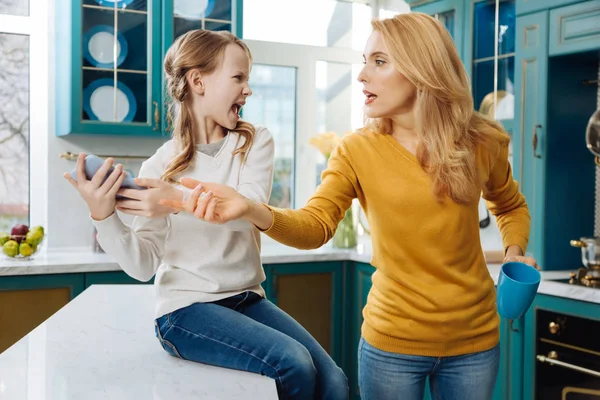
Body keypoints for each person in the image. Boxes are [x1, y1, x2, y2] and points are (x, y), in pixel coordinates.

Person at [161, 13, 539, 400]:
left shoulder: (483, 142)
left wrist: (514, 252)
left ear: (421, 68)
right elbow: (315, 227)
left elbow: (510, 205)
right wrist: (250, 209)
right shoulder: (357, 150)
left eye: (378, 62)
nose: (361, 76)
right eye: (363, 61)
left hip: (474, 341)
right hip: (393, 344)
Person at [64, 29, 348, 400]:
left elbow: (244, 206)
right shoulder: (160, 164)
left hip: (246, 298)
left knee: (336, 381)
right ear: (198, 80)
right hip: (185, 312)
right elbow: (143, 264)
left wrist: (174, 198)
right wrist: (103, 216)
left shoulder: (253, 141)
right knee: (292, 362)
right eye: (239, 77)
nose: (248, 90)